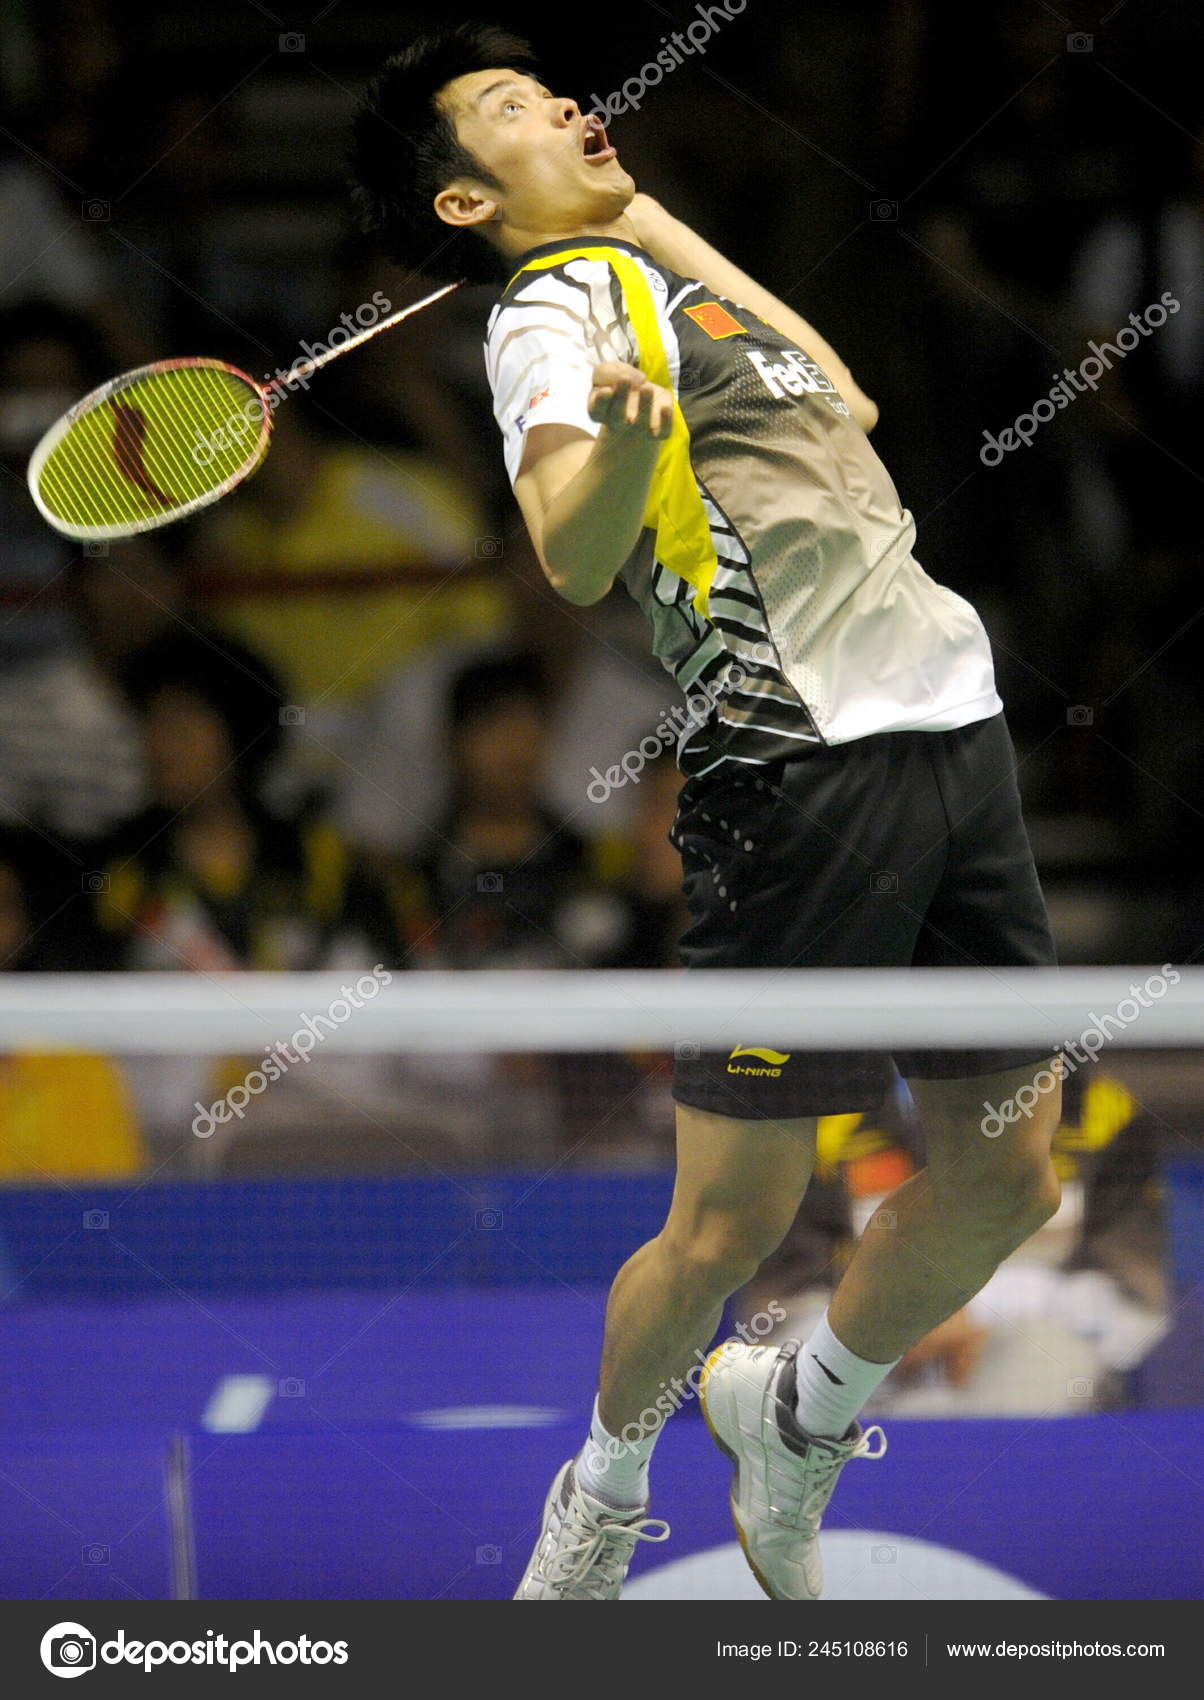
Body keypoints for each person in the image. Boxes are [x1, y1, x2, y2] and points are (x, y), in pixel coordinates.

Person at [351, 24, 1064, 1602]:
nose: (563, 106)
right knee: (729, 1225)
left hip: (956, 731)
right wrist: (612, 432)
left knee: (1011, 1181)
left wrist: (636, 207)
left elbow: (854, 402)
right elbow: (567, 550)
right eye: (511, 110)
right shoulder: (549, 311)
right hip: (796, 767)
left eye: (550, 87)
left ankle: (792, 1416)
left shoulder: (652, 276)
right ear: (466, 202)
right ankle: (601, 1494)